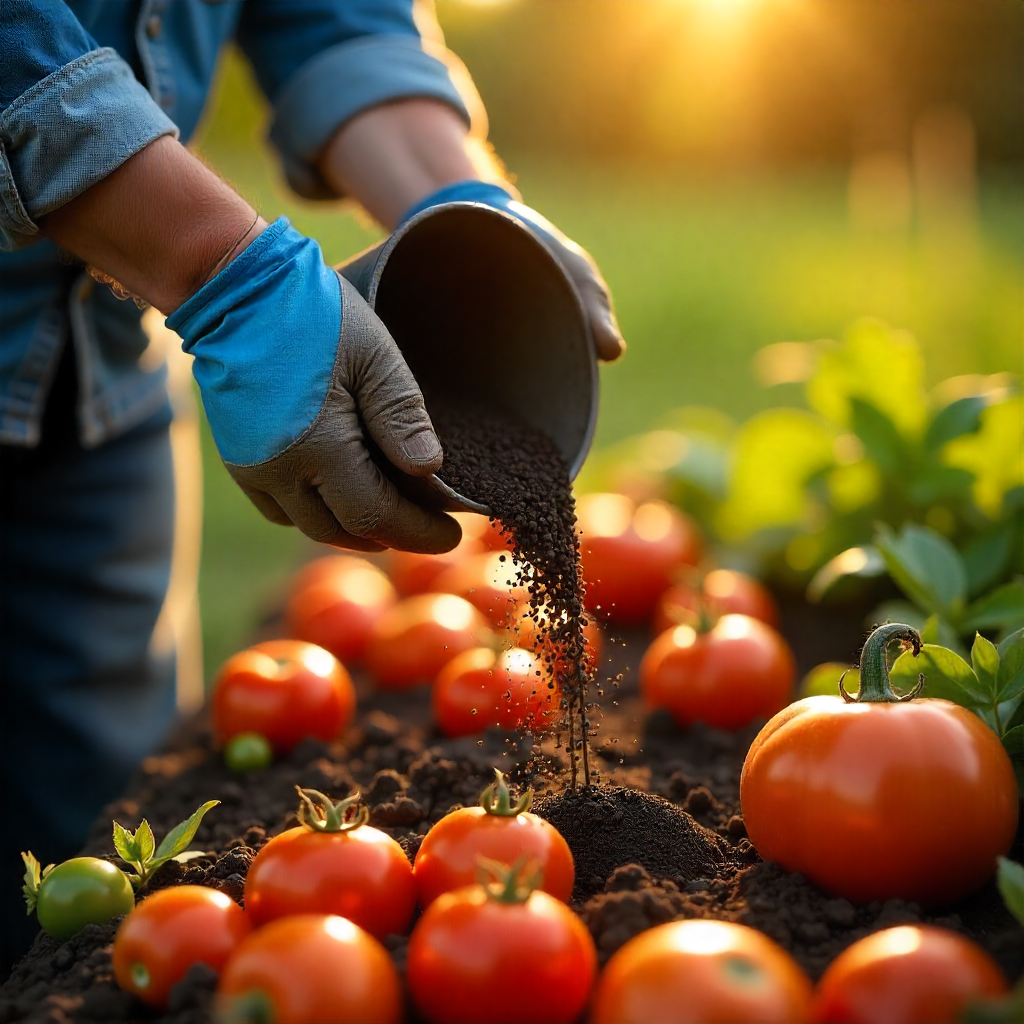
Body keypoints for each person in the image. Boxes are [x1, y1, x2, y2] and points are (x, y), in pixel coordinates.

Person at [0, 1, 623, 971]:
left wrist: (462, 198)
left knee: (96, 853)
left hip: (96, 383)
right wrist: (222, 270)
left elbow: (331, 14)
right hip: (124, 271)